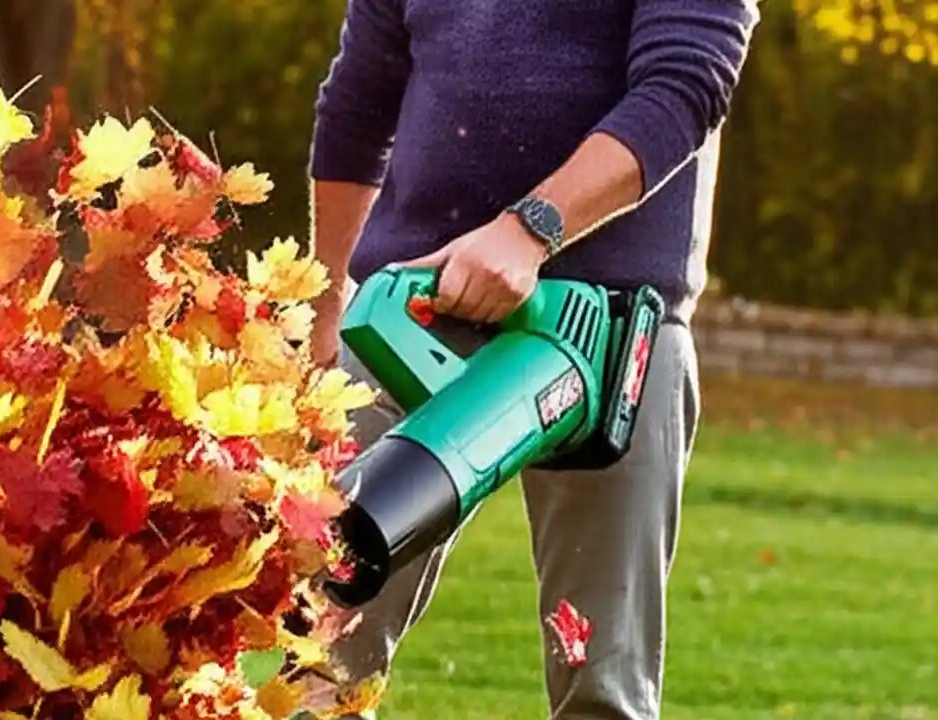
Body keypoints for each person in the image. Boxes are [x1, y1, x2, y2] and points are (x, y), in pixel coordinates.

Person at [307, 1, 758, 717]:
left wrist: (528, 231)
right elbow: (359, 106)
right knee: (319, 651)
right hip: (410, 314)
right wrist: (324, 306)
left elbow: (684, 85)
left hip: (605, 335)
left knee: (600, 687)